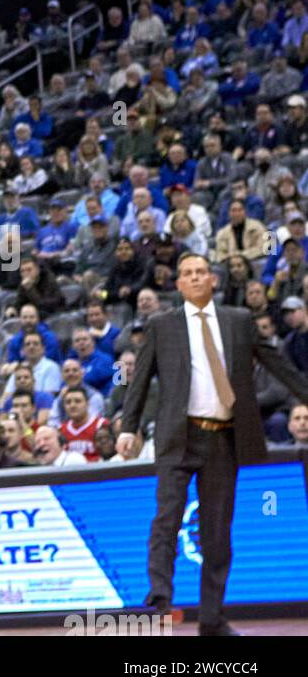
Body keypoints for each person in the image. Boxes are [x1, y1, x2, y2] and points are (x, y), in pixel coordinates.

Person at [117, 253, 308, 635]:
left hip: (223, 437)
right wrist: (129, 426)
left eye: (201, 272)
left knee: (217, 532)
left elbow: (277, 363)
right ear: (179, 284)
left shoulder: (239, 321)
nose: (195, 278)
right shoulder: (161, 325)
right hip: (177, 436)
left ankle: (212, 617)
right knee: (166, 518)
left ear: (213, 280)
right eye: (187, 273)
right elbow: (138, 381)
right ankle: (158, 602)